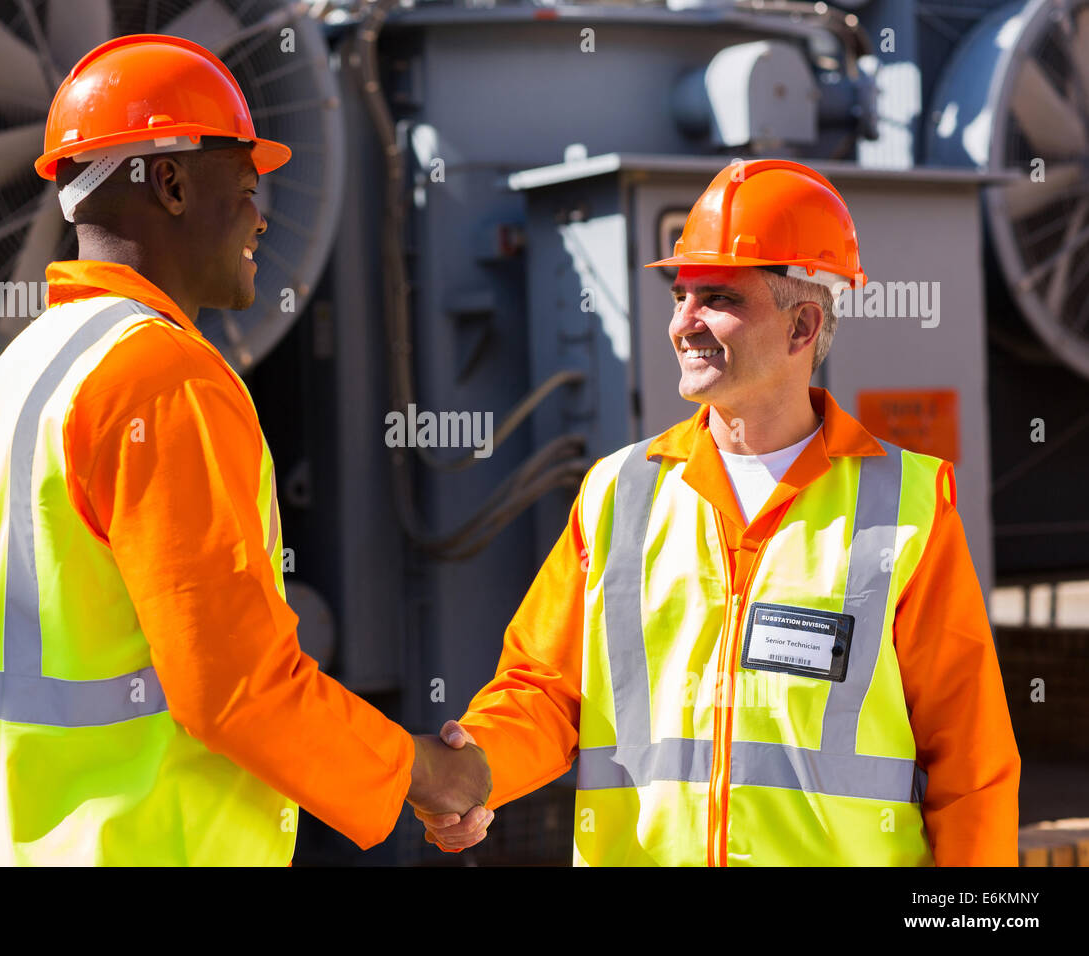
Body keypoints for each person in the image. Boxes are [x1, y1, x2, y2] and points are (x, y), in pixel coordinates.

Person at [0, 34, 488, 865]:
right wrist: (424, 774)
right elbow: (233, 688)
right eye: (244, 187)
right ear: (169, 182)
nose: (261, 216)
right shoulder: (162, 377)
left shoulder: (4, 387)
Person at [417, 159, 1020, 865]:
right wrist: (477, 773)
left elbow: (971, 762)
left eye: (718, 298)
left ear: (803, 328)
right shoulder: (618, 492)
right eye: (681, 296)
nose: (684, 324)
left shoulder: (907, 506)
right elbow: (543, 693)